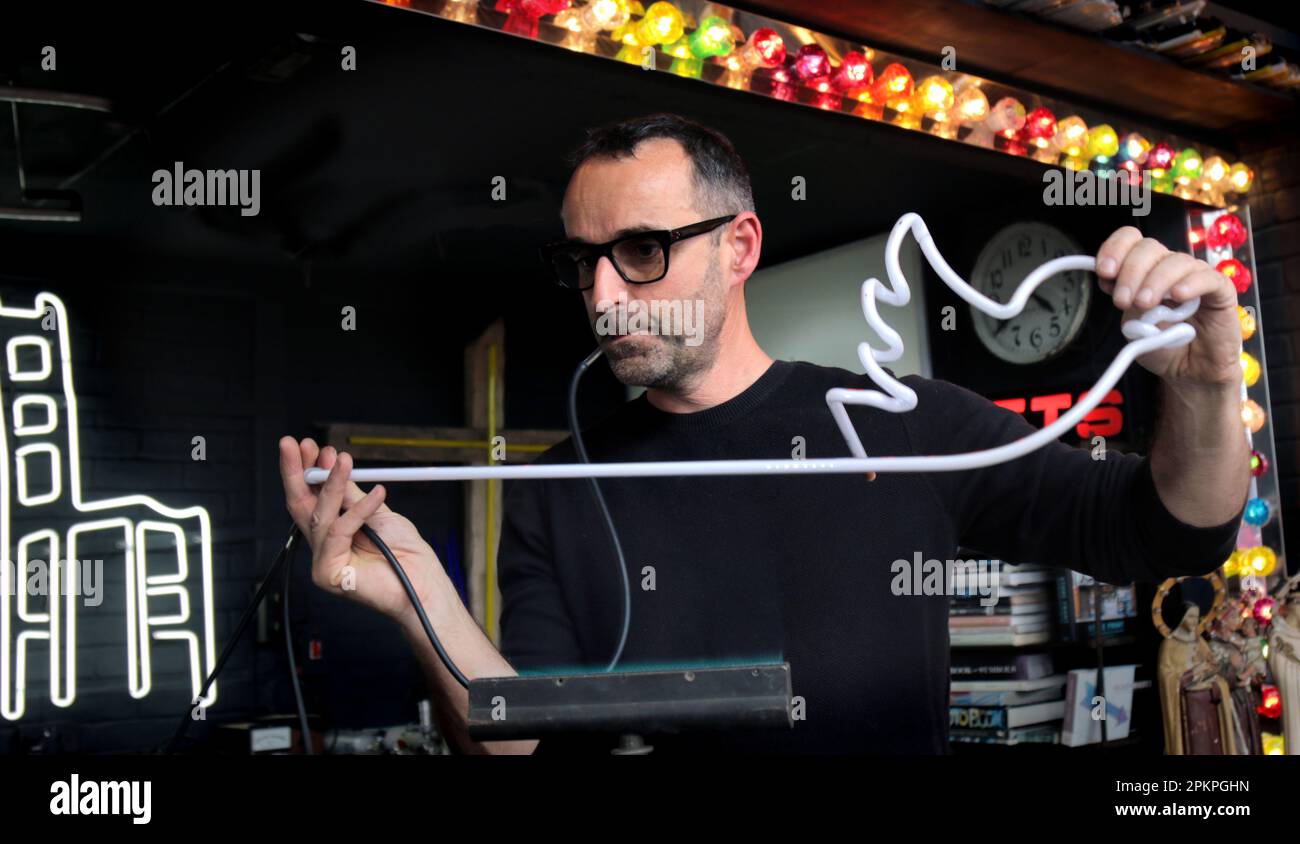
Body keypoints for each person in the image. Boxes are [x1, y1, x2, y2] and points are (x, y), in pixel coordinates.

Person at [278, 113, 1249, 754]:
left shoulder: (903, 422)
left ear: (739, 244)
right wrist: (411, 590)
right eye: (583, 262)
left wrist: (1207, 384)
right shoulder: (560, 481)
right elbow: (520, 736)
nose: (605, 296)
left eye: (643, 252)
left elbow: (1176, 533)